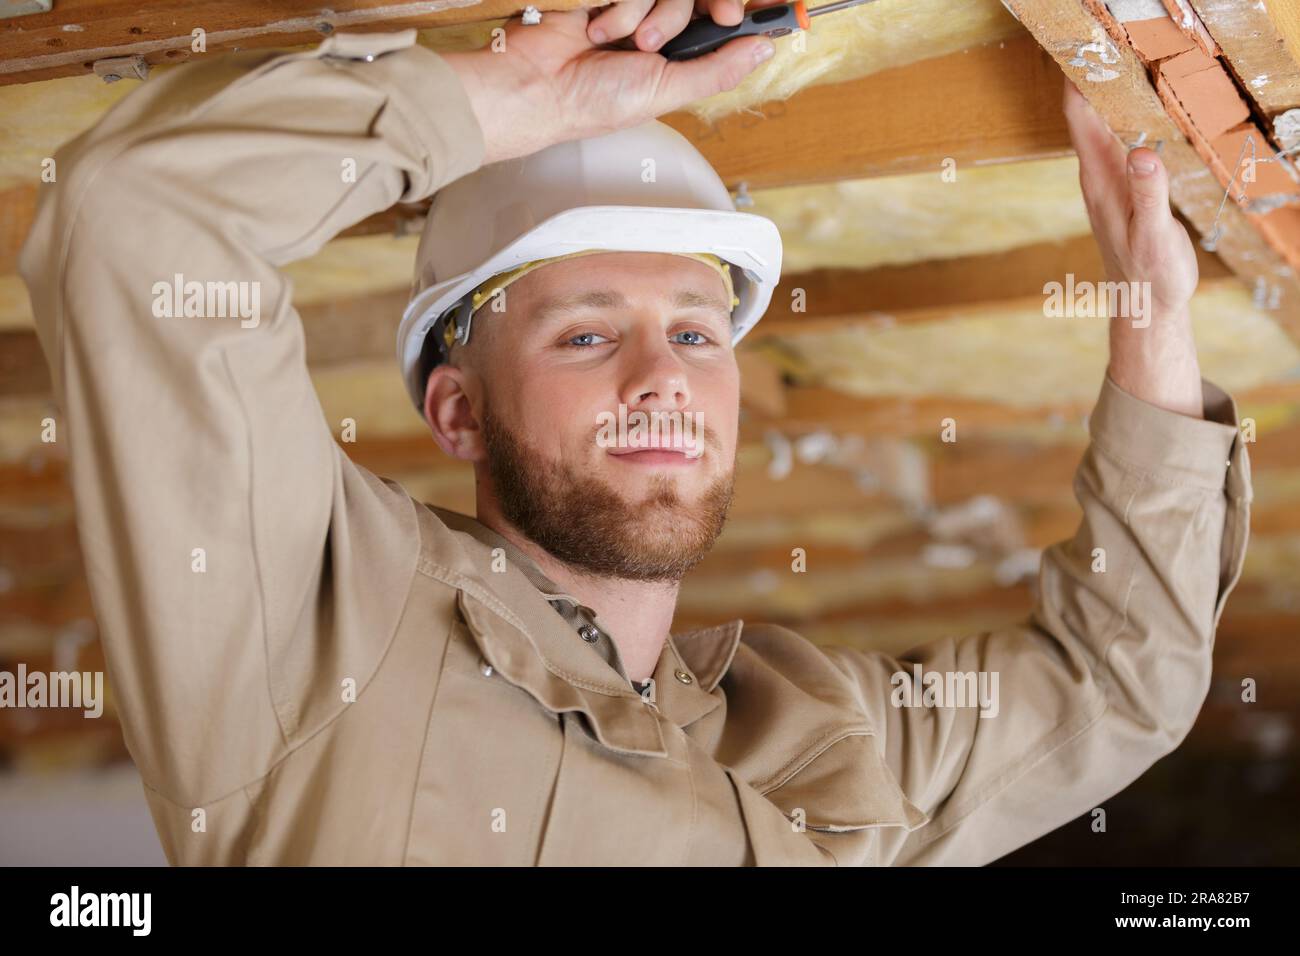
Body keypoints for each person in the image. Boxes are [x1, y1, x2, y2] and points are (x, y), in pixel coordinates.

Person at [19, 4, 1252, 865]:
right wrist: (506, 102)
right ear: (456, 407)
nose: (664, 376)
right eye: (586, 334)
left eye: (699, 332)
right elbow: (138, 225)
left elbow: (1118, 686)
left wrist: (1149, 325)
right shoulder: (325, 631)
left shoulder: (811, 734)